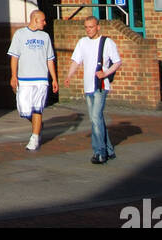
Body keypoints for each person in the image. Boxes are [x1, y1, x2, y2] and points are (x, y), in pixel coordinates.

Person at [64, 16, 121, 164]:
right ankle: (109, 150)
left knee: (95, 118)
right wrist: (69, 75)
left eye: (91, 27)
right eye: (86, 27)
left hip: (101, 85)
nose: (89, 30)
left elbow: (117, 62)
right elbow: (76, 61)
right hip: (88, 86)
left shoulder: (107, 42)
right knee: (97, 119)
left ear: (98, 27)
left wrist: (105, 73)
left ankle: (99, 152)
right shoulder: (82, 42)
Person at [8, 9, 58, 151]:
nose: (45, 23)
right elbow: (14, 57)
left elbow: (50, 60)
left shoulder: (45, 37)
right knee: (24, 109)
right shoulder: (20, 34)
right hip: (24, 79)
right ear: (35, 19)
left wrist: (54, 79)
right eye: (43, 20)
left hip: (41, 79)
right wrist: (13, 75)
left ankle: (34, 138)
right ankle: (38, 124)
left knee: (37, 108)